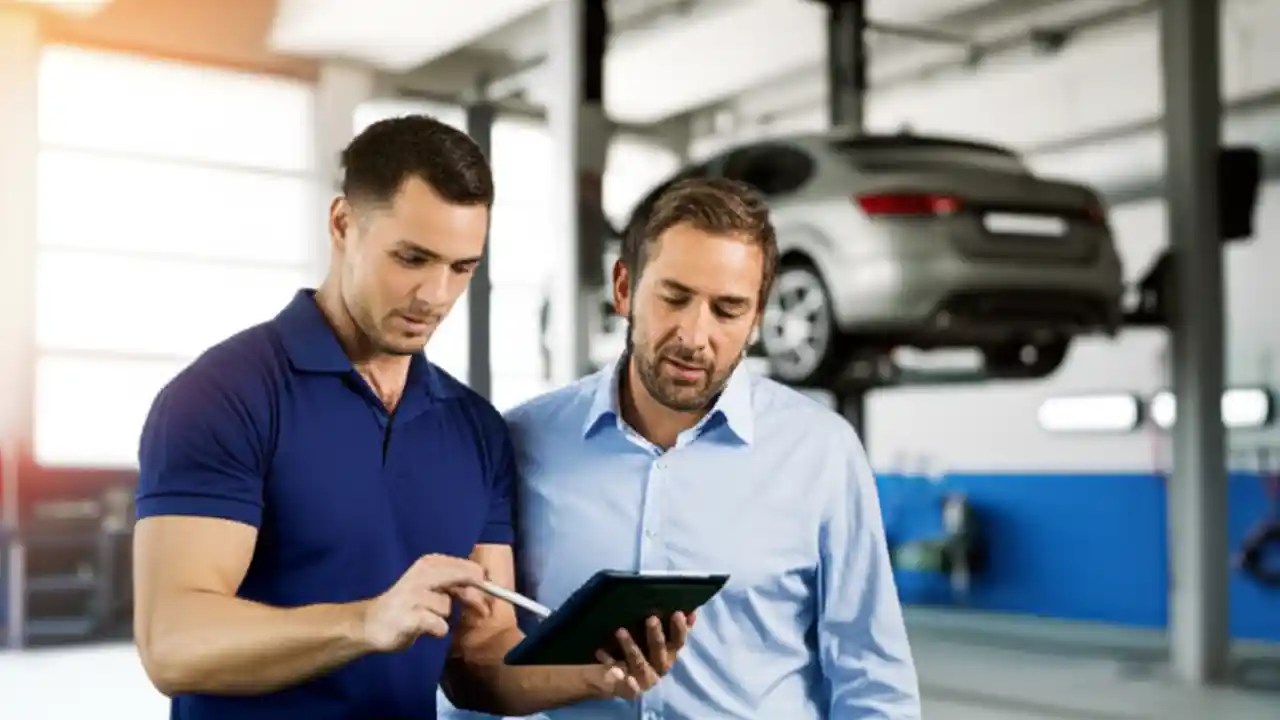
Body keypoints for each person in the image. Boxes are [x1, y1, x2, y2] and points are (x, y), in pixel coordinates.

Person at [131, 115, 691, 720]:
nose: (436, 296)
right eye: (412, 258)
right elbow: (173, 642)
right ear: (343, 223)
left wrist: (588, 674)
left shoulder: (475, 428)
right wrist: (366, 622)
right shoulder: (225, 395)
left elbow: (478, 660)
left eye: (461, 268)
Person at [503, 177, 922, 718]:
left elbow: (873, 678)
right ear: (624, 288)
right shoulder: (523, 442)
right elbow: (483, 660)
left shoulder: (820, 453)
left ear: (755, 318)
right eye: (674, 298)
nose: (695, 336)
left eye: (727, 310)